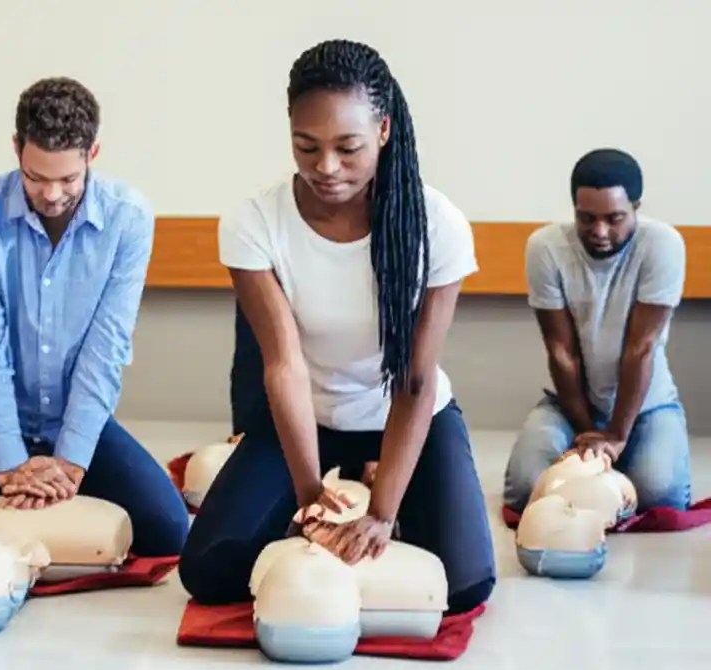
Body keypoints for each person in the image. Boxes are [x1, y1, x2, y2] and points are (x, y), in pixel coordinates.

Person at [177, 39, 495, 615]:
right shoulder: (254, 223)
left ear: (383, 131)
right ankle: (333, 493)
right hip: (307, 416)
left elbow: (416, 381)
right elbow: (283, 365)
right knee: (209, 571)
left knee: (467, 583)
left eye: (347, 148)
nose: (326, 167)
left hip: (404, 413)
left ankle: (384, 493)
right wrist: (307, 499)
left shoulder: (438, 224)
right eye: (307, 146)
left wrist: (383, 513)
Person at [0, 77, 190, 567]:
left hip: (73, 417)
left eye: (68, 180)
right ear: (16, 149)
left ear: (93, 153)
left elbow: (107, 347)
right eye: (36, 177)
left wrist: (71, 460)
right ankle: (5, 484)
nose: (51, 194)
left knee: (168, 529)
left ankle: (40, 482)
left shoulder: (129, 218)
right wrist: (10, 463)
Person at [503, 149, 690, 513]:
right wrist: (588, 435)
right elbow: (561, 351)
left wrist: (617, 435)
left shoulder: (663, 244)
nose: (600, 232)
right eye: (586, 218)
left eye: (615, 218)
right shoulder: (546, 247)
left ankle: (615, 462)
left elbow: (642, 347)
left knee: (659, 495)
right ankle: (602, 467)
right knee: (527, 488)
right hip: (571, 404)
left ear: (636, 207)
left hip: (649, 406)